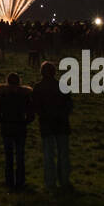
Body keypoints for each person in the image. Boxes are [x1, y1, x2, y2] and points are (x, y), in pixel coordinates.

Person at [31, 61, 72, 190]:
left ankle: (50, 183)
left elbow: (36, 107)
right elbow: (69, 105)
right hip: (62, 123)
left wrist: (44, 115)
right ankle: (64, 181)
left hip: (46, 124)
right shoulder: (62, 86)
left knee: (48, 154)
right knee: (63, 154)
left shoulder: (38, 88)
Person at [0, 72, 35, 191]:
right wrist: (25, 122)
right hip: (20, 128)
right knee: (20, 156)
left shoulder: (1, 95)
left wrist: (3, 121)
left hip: (7, 128)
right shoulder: (24, 95)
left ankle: (9, 181)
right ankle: (20, 181)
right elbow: (31, 113)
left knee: (8, 156)